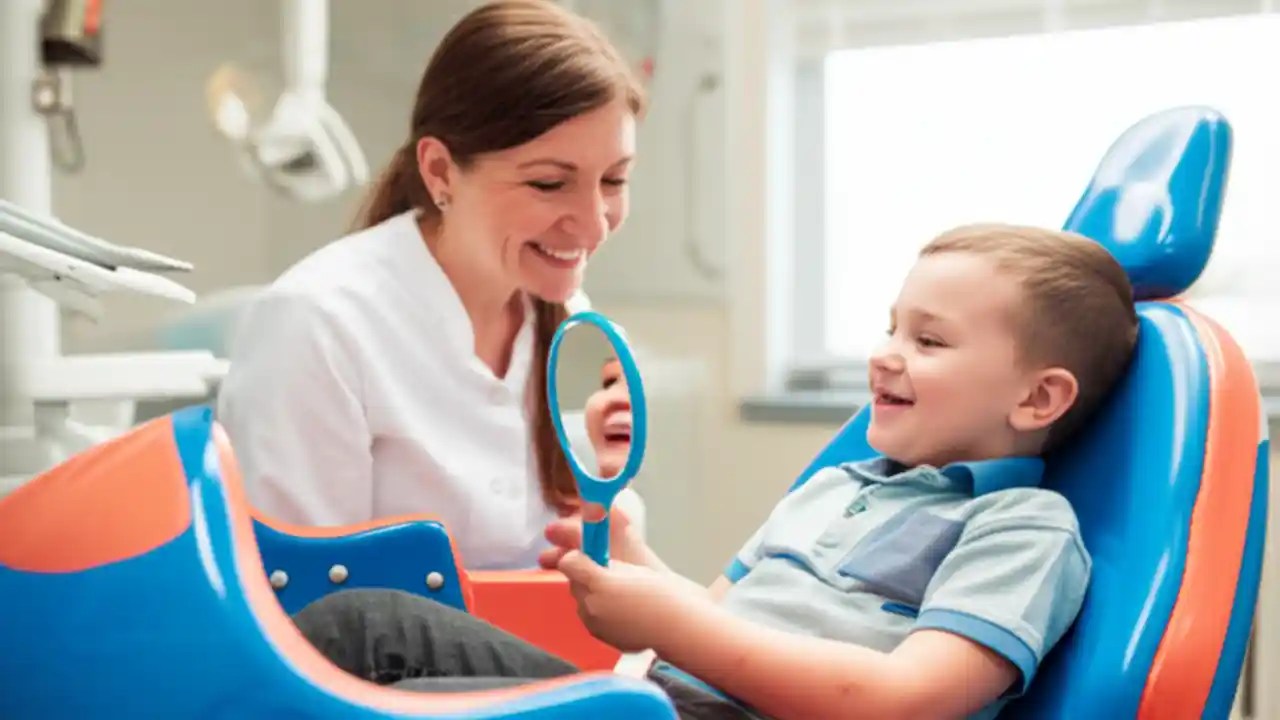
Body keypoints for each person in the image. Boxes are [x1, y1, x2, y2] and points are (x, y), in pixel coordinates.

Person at [293, 223, 1140, 719]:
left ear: (1038, 399)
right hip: (668, 700)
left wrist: (670, 623)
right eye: (890, 327)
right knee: (365, 622)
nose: (885, 355)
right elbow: (721, 620)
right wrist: (631, 553)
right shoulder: (835, 488)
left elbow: (901, 703)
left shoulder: (1021, 529)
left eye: (929, 340)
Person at [216, 0, 646, 570]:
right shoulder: (319, 324)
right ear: (441, 171)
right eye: (548, 183)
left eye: (614, 180)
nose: (594, 224)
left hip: (551, 657)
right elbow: (307, 608)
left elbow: (578, 565)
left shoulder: (564, 320)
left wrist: (612, 489)